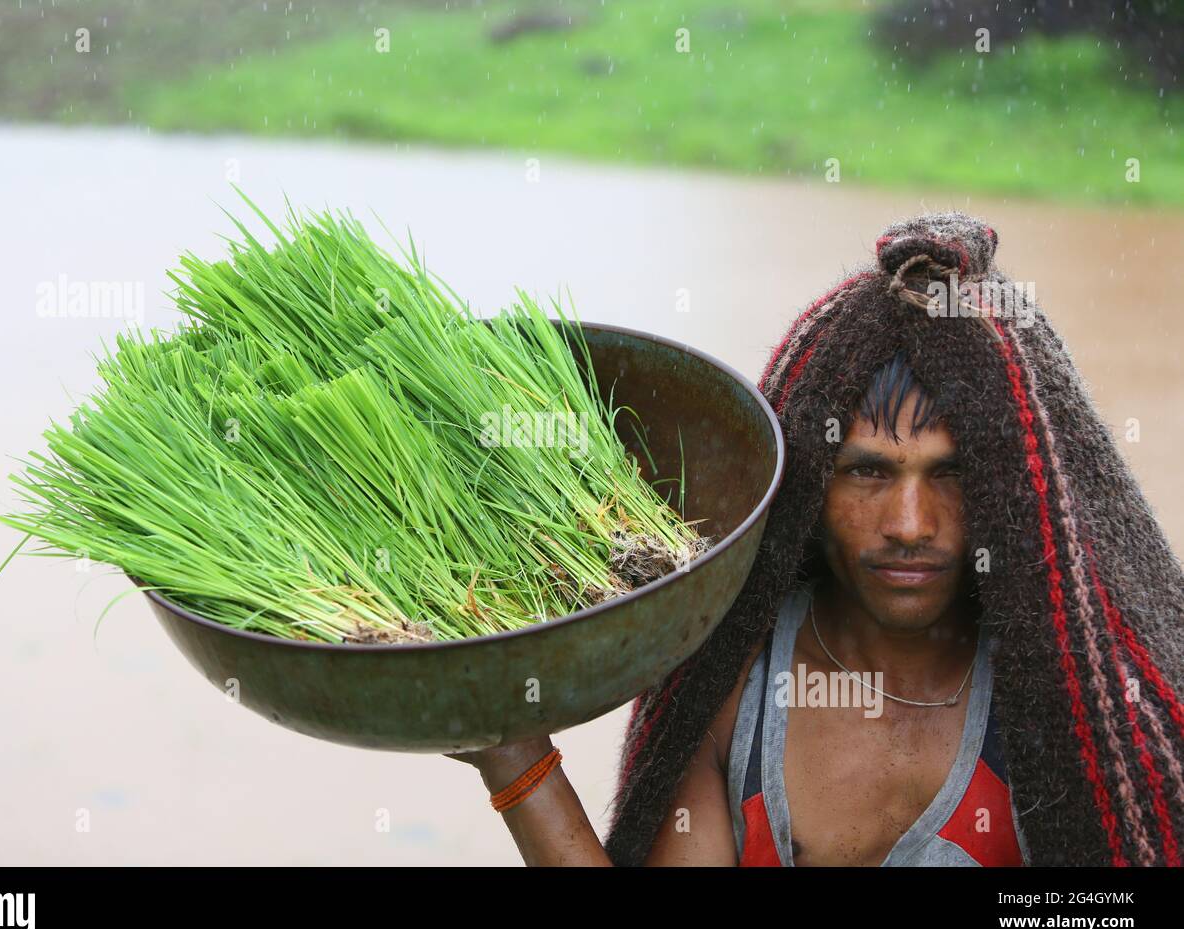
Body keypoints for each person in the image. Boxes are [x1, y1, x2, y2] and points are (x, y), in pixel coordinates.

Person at [451, 212, 1184, 866]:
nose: (909, 524)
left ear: (1011, 489)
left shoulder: (1069, 705)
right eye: (867, 472)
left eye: (950, 473)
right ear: (808, 487)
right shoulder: (735, 686)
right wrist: (512, 755)